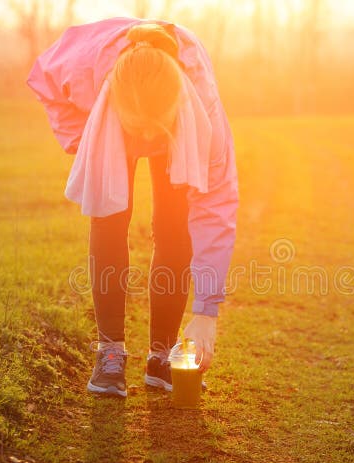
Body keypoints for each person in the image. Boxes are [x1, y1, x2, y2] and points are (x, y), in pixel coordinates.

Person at [27, 18, 238, 398]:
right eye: (138, 131)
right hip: (109, 121)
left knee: (176, 227)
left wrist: (206, 312)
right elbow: (44, 77)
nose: (145, 140)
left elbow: (215, 211)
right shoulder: (86, 70)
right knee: (108, 218)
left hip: (177, 127)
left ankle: (162, 354)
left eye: (151, 132)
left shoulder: (202, 110)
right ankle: (110, 352)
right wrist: (81, 137)